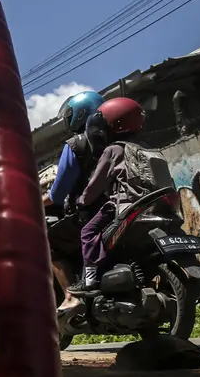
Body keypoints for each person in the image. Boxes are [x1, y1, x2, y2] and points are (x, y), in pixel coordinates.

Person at [71, 97, 149, 290]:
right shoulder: (145, 148)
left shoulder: (113, 150)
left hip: (125, 205)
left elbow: (95, 185)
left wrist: (81, 201)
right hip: (153, 202)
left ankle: (89, 279)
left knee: (87, 232)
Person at [42, 91, 107, 315]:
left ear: (78, 115)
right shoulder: (115, 140)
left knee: (50, 241)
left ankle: (71, 296)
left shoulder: (76, 145)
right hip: (118, 208)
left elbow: (57, 195)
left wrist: (35, 202)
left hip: (90, 214)